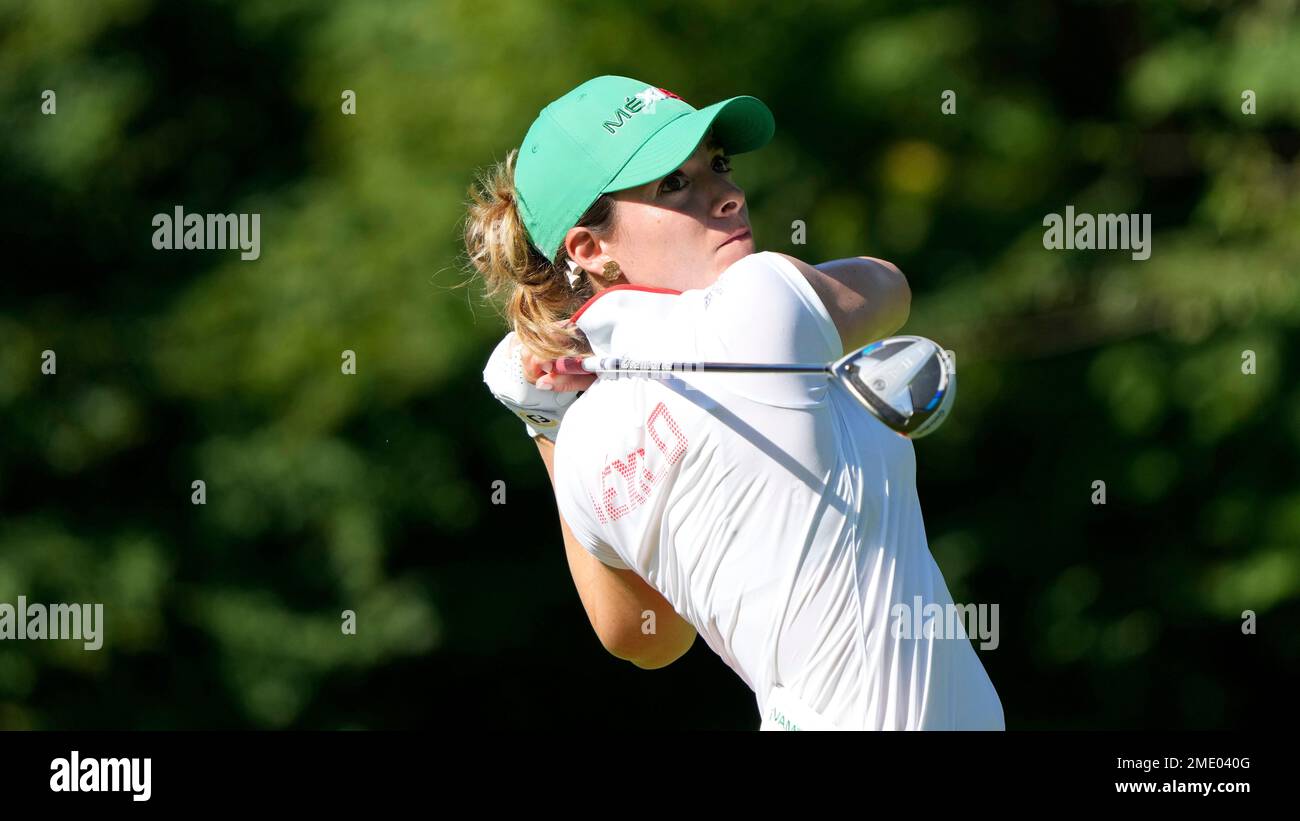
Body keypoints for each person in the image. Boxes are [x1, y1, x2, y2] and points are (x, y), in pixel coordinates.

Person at [464, 75, 1004, 730]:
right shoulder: (763, 300)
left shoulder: (582, 443)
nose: (729, 196)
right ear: (589, 248)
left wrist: (544, 424)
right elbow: (888, 285)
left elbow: (646, 637)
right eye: (674, 184)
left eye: (717, 166)